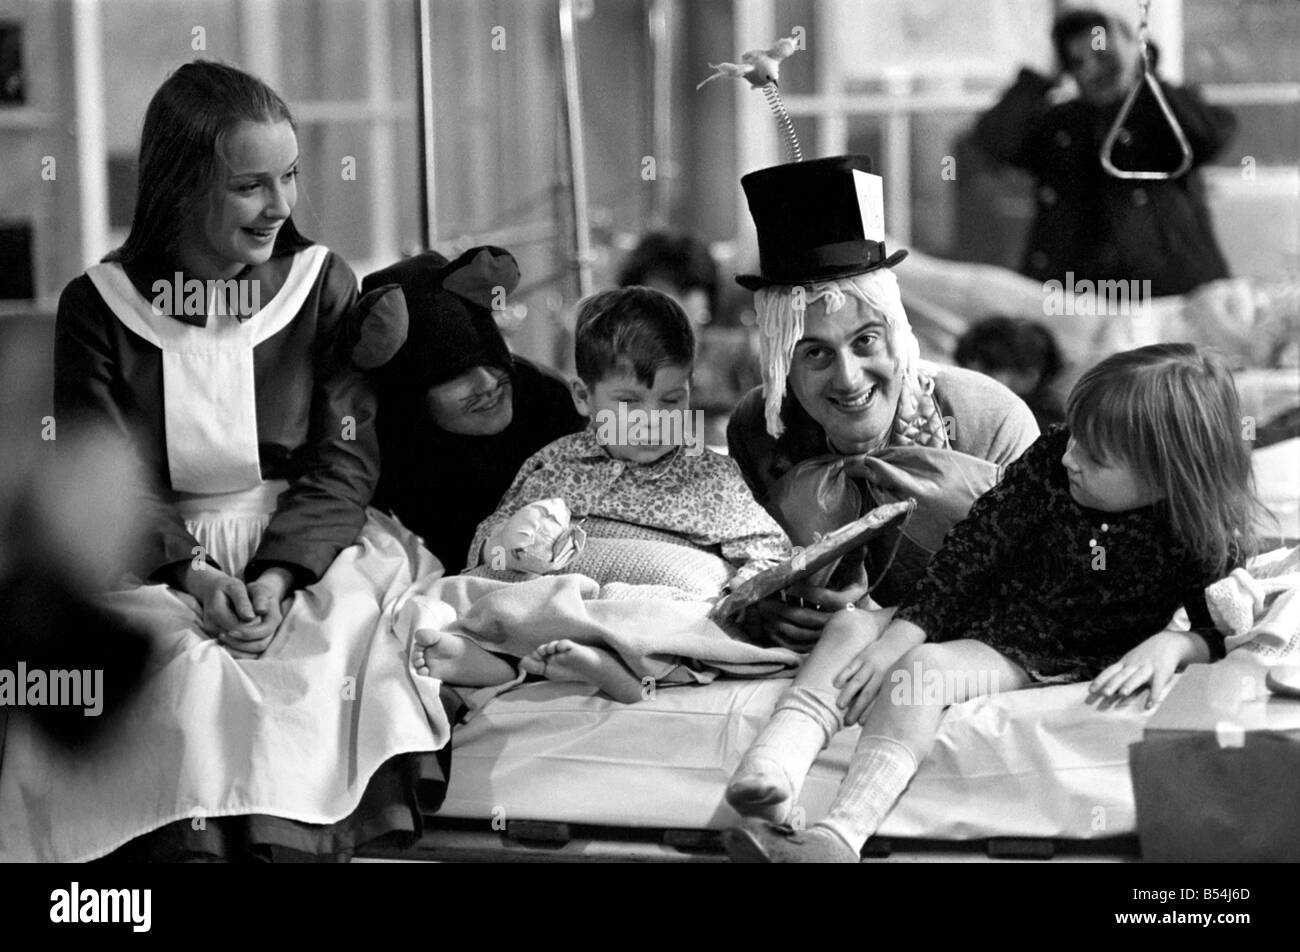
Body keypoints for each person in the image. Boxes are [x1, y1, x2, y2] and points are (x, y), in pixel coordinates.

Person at [5, 60, 449, 863]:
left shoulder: (320, 286)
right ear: (179, 187)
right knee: (174, 681)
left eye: (289, 176)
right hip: (155, 563)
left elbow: (344, 462)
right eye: (251, 185)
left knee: (330, 660)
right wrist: (201, 578)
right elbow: (111, 482)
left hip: (307, 548)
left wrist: (278, 578)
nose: (280, 206)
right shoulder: (96, 306)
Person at [723, 343, 1267, 862]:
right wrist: (898, 631)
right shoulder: (1055, 457)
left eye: (1096, 458)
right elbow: (975, 547)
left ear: (1170, 475)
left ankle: (839, 837)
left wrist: (1176, 644)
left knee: (923, 672)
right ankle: (775, 772)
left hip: (1050, 646)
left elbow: (1220, 628)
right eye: (1074, 435)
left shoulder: (1198, 533)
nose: (1071, 457)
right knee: (848, 628)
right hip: (988, 605)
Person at [411, 286, 791, 702]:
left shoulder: (708, 476)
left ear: (690, 388)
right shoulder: (555, 462)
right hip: (564, 597)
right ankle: (493, 661)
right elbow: (491, 541)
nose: (651, 420)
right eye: (628, 402)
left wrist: (740, 596)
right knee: (481, 593)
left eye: (671, 400)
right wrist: (505, 541)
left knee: (686, 621)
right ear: (583, 397)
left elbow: (771, 550)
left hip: (646, 605)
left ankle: (620, 672)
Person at [726, 155, 1040, 649]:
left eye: (866, 341)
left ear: (900, 337)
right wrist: (763, 603)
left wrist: (880, 623)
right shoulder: (757, 429)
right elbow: (741, 556)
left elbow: (1043, 589)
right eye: (815, 353)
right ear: (782, 365)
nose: (848, 378)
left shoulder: (990, 419)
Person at [971, 7, 1236, 297]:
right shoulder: (1062, 124)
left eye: (1103, 57)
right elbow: (993, 140)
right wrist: (1041, 76)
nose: (1092, 70)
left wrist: (1144, 72)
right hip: (1077, 293)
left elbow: (1212, 134)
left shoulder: (1162, 112)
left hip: (1166, 290)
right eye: (1077, 62)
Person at [366, 247, 586, 575]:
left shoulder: (550, 401)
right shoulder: (386, 454)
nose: (485, 383)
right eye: (453, 375)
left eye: (490, 358)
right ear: (409, 398)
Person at [954, 316, 1065, 430]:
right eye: (965, 370)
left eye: (988, 371)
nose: (969, 381)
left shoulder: (1041, 431)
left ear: (1027, 378)